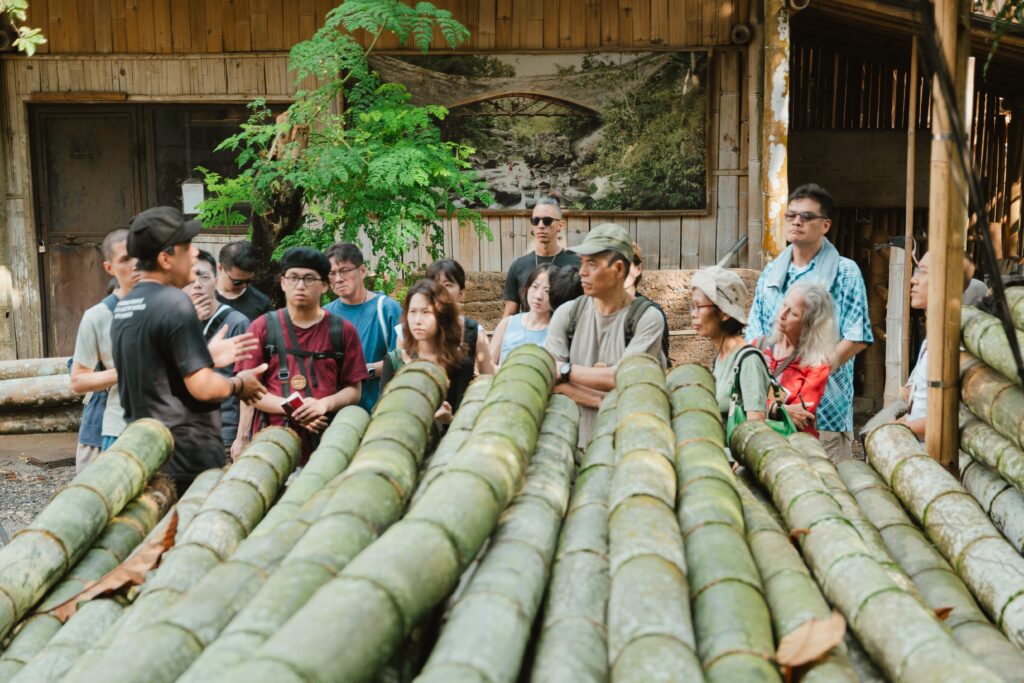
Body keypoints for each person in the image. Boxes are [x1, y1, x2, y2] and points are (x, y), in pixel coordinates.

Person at [112, 207, 268, 493]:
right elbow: (203, 388)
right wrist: (239, 384)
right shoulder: (174, 303)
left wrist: (207, 356)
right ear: (165, 258)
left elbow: (156, 371)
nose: (195, 254)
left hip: (147, 452)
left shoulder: (126, 305)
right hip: (185, 459)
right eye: (187, 247)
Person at [746, 183, 872, 461]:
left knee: (829, 490)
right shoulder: (770, 274)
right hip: (771, 409)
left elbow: (856, 337)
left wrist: (806, 384)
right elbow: (754, 336)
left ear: (825, 225)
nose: (796, 222)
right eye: (791, 216)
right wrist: (774, 397)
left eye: (806, 216)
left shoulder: (844, 271)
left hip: (823, 409)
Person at [235, 247, 368, 461]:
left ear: (324, 285)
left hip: (328, 445)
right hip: (271, 445)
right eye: (293, 277)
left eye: (309, 279)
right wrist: (293, 410)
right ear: (282, 282)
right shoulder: (262, 327)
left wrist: (324, 404)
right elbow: (248, 389)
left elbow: (354, 390)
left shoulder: (342, 330)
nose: (300, 286)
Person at [545, 223, 667, 448]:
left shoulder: (646, 318)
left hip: (630, 447)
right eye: (582, 263)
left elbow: (623, 377)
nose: (582, 272)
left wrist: (565, 370)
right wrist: (603, 401)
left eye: (592, 264)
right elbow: (547, 379)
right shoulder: (567, 314)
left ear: (619, 269)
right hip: (574, 446)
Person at [69, 228, 140, 471]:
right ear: (110, 268)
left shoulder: (173, 304)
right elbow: (78, 380)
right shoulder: (97, 317)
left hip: (173, 426)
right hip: (120, 427)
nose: (136, 265)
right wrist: (126, 372)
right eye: (126, 259)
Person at [382, 279, 474, 426]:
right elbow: (381, 420)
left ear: (443, 316)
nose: (417, 320)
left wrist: (449, 420)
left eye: (426, 312)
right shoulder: (395, 361)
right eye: (412, 312)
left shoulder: (461, 363)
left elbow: (466, 425)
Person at [323, 242, 402, 412]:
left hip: (379, 410)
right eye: (332, 273)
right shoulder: (324, 315)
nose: (338, 279)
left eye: (344, 270)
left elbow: (404, 358)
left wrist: (363, 372)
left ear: (362, 271)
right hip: (335, 414)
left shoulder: (387, 309)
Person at [751, 281, 836, 438]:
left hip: (794, 446)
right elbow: (738, 395)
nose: (782, 314)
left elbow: (800, 417)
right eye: (784, 305)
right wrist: (777, 409)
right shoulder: (759, 346)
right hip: (754, 439)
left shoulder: (816, 364)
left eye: (793, 313)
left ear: (809, 325)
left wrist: (757, 406)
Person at [186, 250, 251, 452]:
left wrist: (242, 437)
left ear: (215, 279)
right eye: (190, 278)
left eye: (203, 277)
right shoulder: (175, 323)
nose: (196, 284)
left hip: (222, 435)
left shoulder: (238, 323)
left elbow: (248, 382)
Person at [691, 266, 770, 425]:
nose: (693, 314)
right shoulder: (720, 358)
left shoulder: (748, 361)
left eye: (699, 307)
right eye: (692, 307)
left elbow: (755, 429)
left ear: (724, 312)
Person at [501, 196, 580, 317]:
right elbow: (510, 314)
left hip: (565, 333)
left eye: (547, 220)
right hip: (529, 333)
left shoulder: (577, 264)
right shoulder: (518, 266)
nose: (541, 225)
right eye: (536, 220)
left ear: (560, 225)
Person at [425, 259, 496, 377]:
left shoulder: (474, 332)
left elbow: (488, 374)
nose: (441, 290)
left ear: (461, 293)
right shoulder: (410, 329)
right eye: (434, 284)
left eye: (448, 285)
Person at [489, 264, 555, 366]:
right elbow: (488, 367)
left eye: (547, 291)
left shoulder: (557, 331)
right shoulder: (507, 323)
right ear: (527, 288)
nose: (538, 296)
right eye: (535, 287)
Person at [216, 240, 274, 322]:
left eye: (248, 281)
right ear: (220, 268)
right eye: (237, 282)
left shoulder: (262, 303)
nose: (244, 286)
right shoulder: (202, 296)